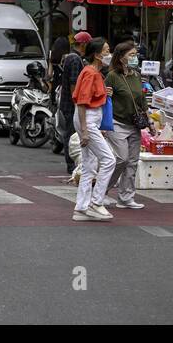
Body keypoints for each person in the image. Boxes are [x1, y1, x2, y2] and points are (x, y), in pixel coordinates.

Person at [72, 37, 116, 221]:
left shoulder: (92, 72)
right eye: (106, 51)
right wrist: (85, 131)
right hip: (87, 120)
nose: (109, 54)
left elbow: (87, 98)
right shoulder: (91, 73)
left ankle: (81, 208)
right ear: (97, 55)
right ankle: (96, 202)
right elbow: (82, 102)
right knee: (109, 160)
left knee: (89, 165)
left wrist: (104, 92)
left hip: (88, 120)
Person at [102, 40, 147, 210]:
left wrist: (149, 121)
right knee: (121, 158)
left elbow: (142, 100)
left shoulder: (136, 75)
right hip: (116, 123)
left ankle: (126, 197)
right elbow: (104, 99)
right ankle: (102, 190)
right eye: (131, 55)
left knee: (133, 161)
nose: (135, 58)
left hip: (134, 123)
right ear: (121, 58)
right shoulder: (112, 76)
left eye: (136, 54)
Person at [56, 31, 91, 175]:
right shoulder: (75, 59)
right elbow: (73, 83)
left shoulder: (70, 57)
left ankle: (72, 163)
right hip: (71, 104)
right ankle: (71, 165)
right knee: (71, 134)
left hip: (67, 103)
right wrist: (77, 102)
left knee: (69, 134)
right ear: (83, 44)